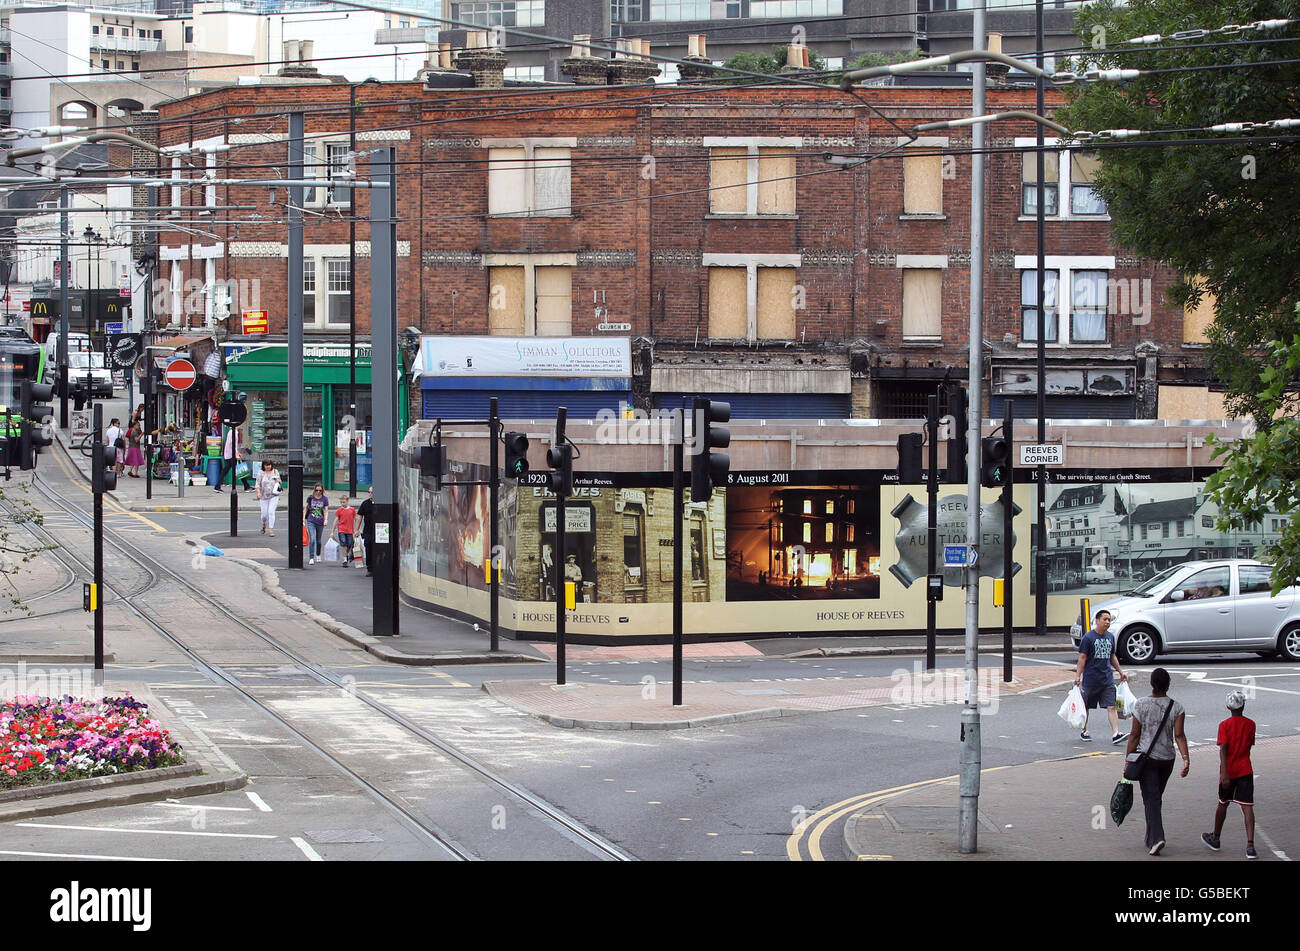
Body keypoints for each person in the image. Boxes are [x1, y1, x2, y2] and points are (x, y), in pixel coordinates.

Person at [1126, 667, 1189, 856]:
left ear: (1151, 683)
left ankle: (1157, 837)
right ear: (1168, 684)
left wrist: (1128, 759)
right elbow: (1179, 735)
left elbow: (1134, 735)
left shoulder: (1140, 705)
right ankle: (1150, 836)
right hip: (1167, 759)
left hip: (1147, 759)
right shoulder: (1177, 707)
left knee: (1151, 798)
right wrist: (1186, 759)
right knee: (1154, 797)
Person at [1201, 690, 1257, 859]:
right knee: (1247, 807)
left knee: (1223, 803)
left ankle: (1216, 837)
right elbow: (1249, 745)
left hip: (1229, 770)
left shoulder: (1224, 725)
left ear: (1228, 706)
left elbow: (1223, 749)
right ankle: (1250, 845)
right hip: (1245, 768)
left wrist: (1224, 773)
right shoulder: (1251, 724)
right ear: (1243, 705)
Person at [1073, 608, 1129, 744]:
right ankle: (1084, 730)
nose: (1107, 622)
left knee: (1112, 706)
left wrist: (1120, 672)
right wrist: (1078, 676)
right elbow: (1082, 657)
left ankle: (1116, 733)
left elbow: (1112, 656)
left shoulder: (1110, 637)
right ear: (1097, 621)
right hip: (1091, 679)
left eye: (1109, 620)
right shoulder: (1088, 638)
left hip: (1107, 679)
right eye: (1105, 619)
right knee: (1086, 706)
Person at [215, 425, 253, 491]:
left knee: (232, 470)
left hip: (229, 454)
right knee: (240, 470)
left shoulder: (231, 431)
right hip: (231, 455)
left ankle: (218, 486)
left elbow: (232, 444)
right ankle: (246, 486)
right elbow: (232, 444)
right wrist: (236, 454)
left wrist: (237, 453)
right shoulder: (234, 432)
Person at [255, 460, 281, 537]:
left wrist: (278, 481)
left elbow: (280, 482)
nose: (268, 467)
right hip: (264, 496)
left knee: (271, 512)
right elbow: (257, 484)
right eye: (266, 465)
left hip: (274, 495)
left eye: (269, 465)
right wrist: (258, 493)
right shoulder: (261, 473)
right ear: (263, 466)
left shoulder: (275, 471)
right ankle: (264, 523)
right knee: (264, 515)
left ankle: (271, 529)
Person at [305, 484, 328, 565]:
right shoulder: (311, 498)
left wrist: (325, 520)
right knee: (312, 539)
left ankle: (318, 554)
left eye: (320, 490)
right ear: (314, 490)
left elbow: (325, 510)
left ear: (322, 491)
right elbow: (306, 507)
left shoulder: (324, 499)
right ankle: (311, 557)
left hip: (320, 521)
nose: (318, 492)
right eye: (317, 490)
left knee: (318, 540)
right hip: (311, 520)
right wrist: (303, 518)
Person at [356, 486, 375, 575]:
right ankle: (370, 568)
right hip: (368, 530)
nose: (370, 494)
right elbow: (359, 516)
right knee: (368, 547)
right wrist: (357, 529)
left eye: (372, 492)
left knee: (377, 548)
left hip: (378, 530)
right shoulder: (365, 503)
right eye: (369, 492)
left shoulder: (380, 503)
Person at [334, 495, 357, 568]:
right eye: (341, 502)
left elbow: (356, 519)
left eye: (343, 502)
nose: (342, 504)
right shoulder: (339, 510)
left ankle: (346, 555)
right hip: (341, 529)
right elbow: (336, 520)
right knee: (343, 543)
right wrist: (332, 530)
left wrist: (358, 529)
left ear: (347, 501)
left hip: (350, 530)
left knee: (350, 544)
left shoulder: (352, 510)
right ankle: (344, 560)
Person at [124, 408, 146, 478]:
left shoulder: (132, 430)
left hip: (132, 447)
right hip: (135, 447)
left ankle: (131, 470)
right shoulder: (134, 432)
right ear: (134, 425)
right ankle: (136, 473)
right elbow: (136, 440)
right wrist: (141, 434)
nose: (139, 427)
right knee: (136, 461)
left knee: (134, 460)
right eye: (138, 425)